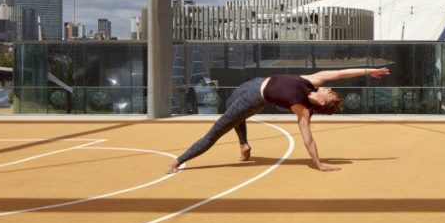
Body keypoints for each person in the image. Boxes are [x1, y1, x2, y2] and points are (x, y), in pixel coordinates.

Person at [167, 66, 390, 173]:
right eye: (331, 90)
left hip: (253, 100)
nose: (330, 88)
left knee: (216, 131)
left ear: (323, 102)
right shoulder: (312, 81)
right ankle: (244, 144)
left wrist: (318, 164)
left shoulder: (302, 109)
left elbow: (308, 139)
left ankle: (178, 160)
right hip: (254, 82)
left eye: (331, 93)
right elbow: (341, 74)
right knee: (227, 106)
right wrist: (368, 71)